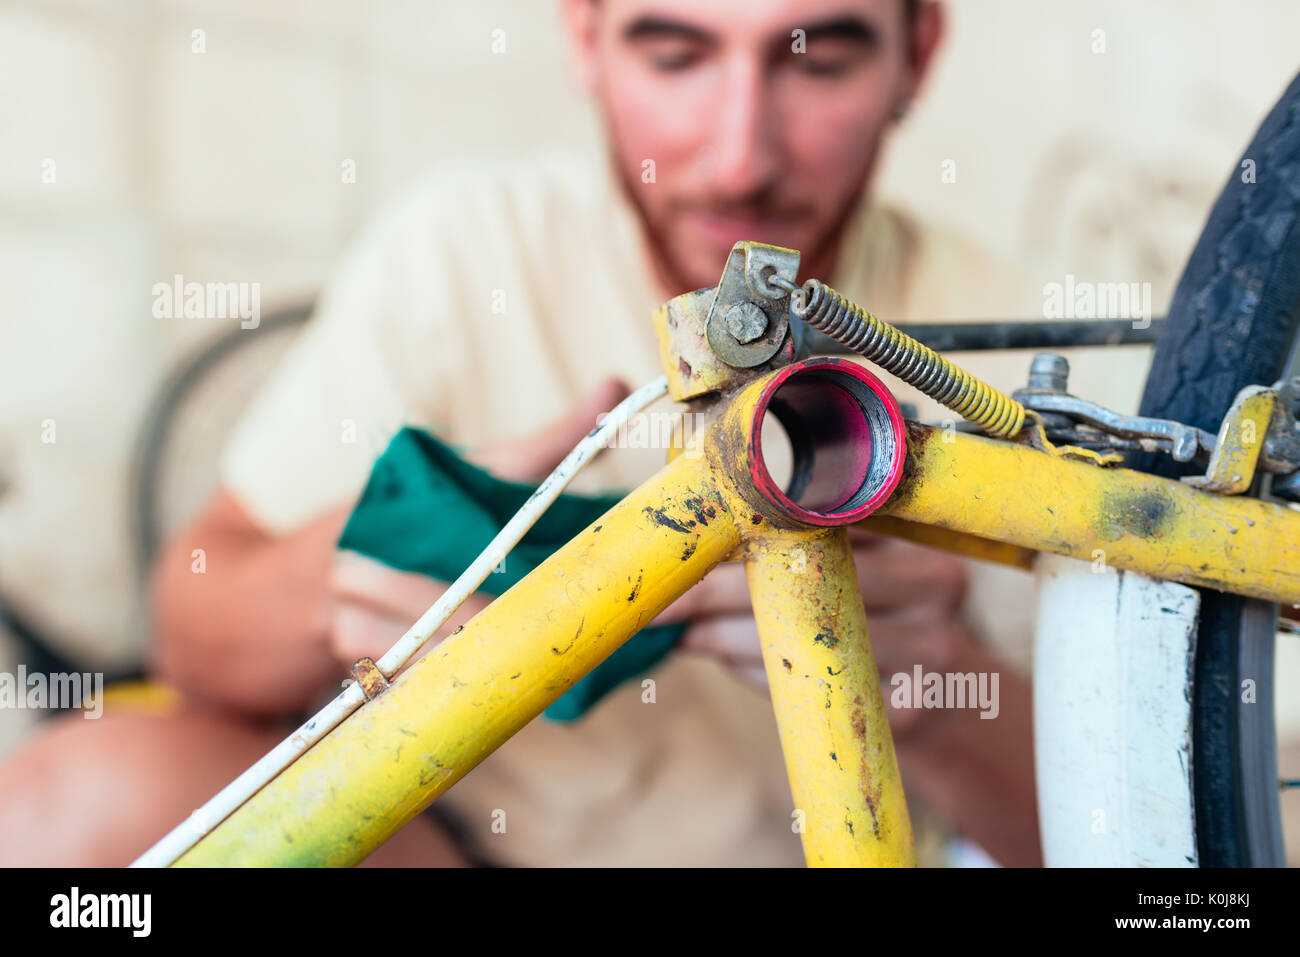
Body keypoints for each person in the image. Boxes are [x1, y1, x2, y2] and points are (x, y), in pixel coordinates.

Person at [0, 0, 1041, 867]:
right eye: (674, 55)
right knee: (69, 808)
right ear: (583, 37)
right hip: (465, 853)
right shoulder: (462, 249)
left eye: (818, 63)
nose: (739, 158)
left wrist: (930, 692)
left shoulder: (1009, 344)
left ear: (921, 52)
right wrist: (357, 570)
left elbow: (1152, 848)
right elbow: (191, 631)